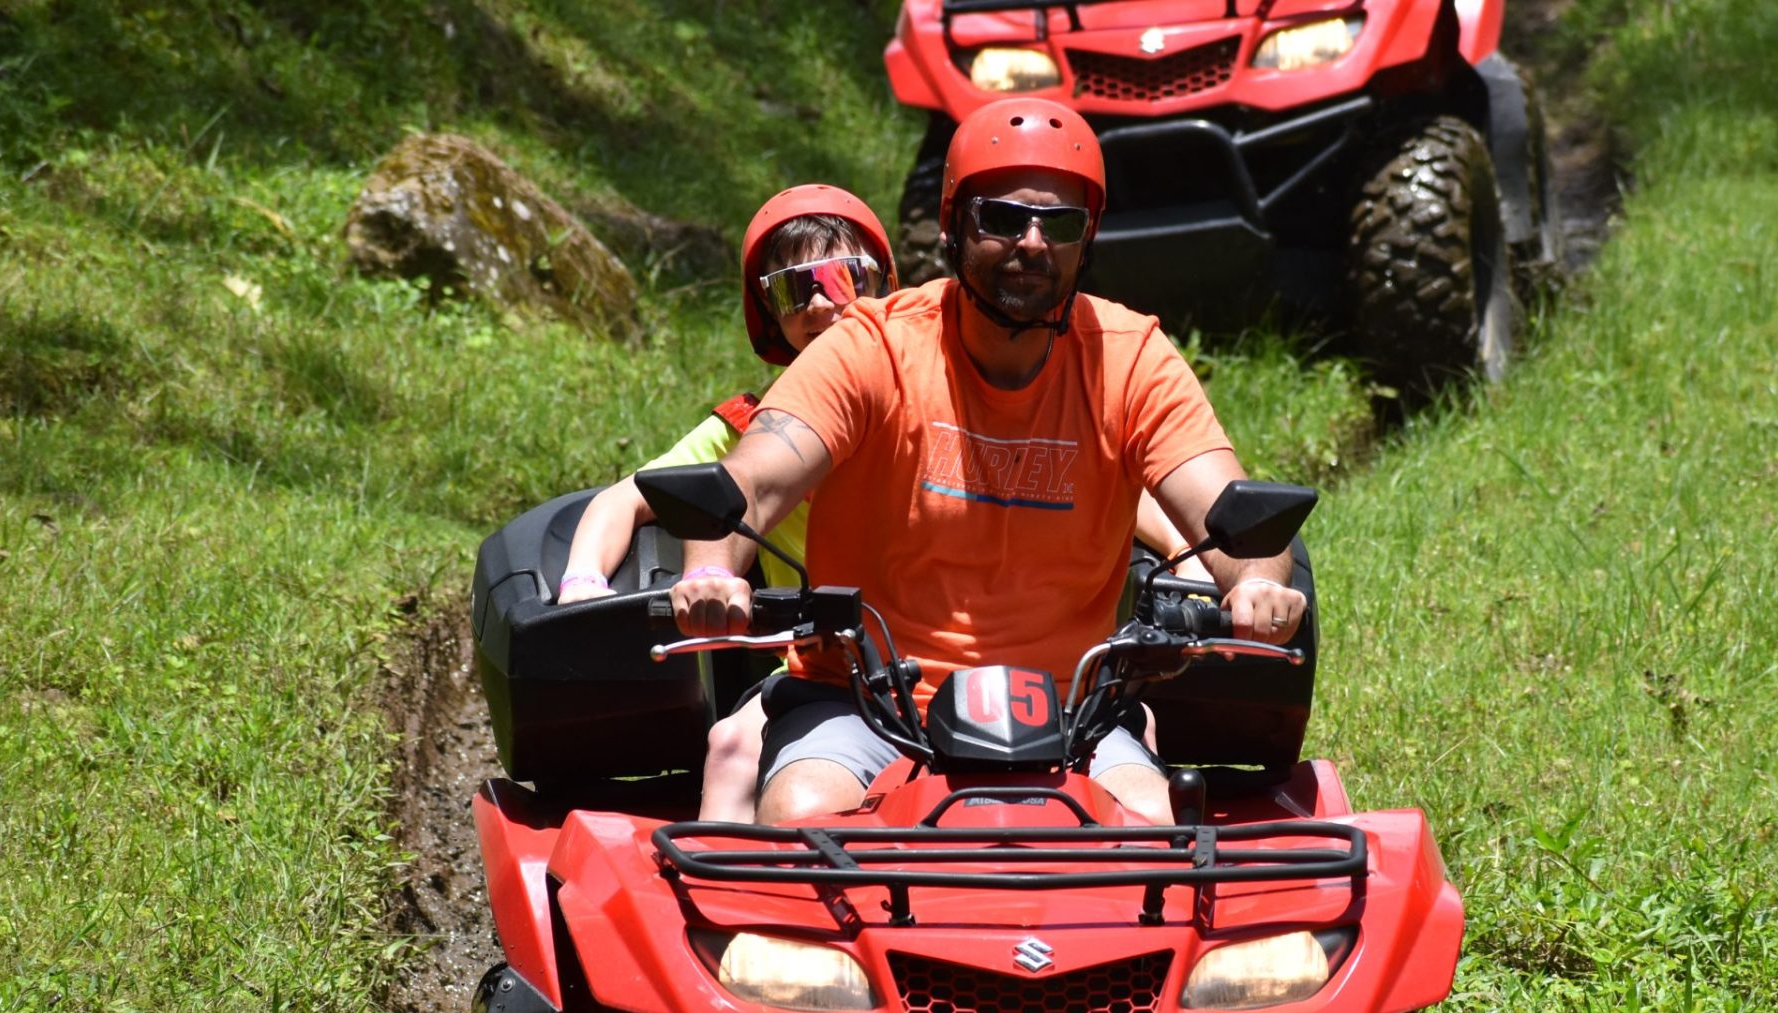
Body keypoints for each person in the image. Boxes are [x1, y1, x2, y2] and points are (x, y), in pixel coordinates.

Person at [668, 99, 1308, 827]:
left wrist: (1258, 584)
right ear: (952, 227)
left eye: (1059, 223)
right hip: (865, 701)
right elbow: (753, 479)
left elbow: (1233, 511)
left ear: (1087, 239)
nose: (1032, 243)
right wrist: (711, 571)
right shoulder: (871, 346)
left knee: (1161, 836)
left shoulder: (1133, 359)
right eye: (1002, 218)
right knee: (801, 814)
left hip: (1074, 711)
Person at [559, 184, 896, 822]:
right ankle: (723, 913)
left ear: (884, 286)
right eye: (798, 289)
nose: (826, 302)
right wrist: (582, 583)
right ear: (769, 311)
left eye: (847, 277)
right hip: (824, 668)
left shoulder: (935, 392)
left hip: (963, 648)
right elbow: (623, 501)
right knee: (733, 746)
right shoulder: (746, 427)